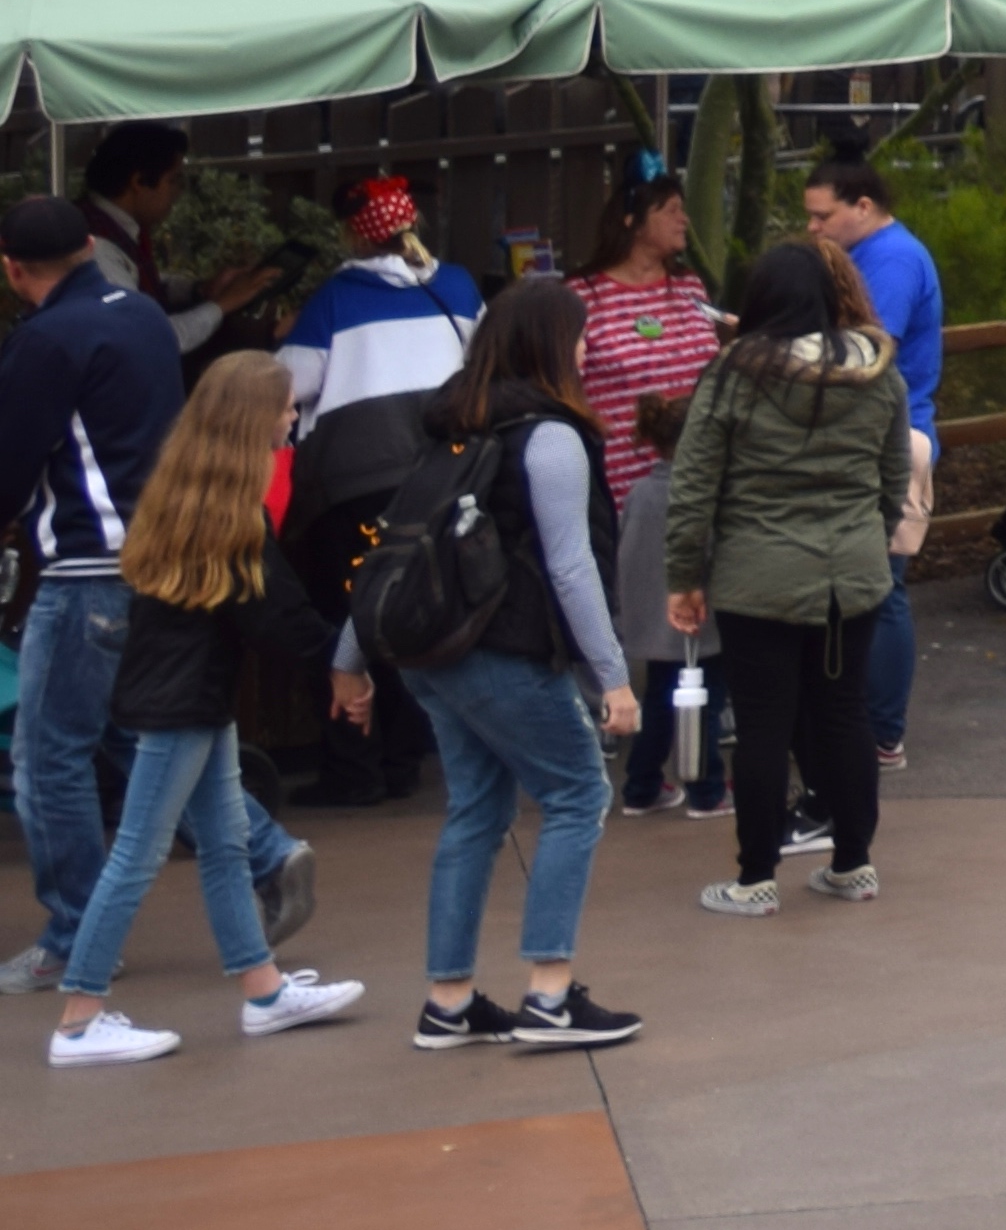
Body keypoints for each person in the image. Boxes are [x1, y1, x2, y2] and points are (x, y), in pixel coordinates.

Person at [350, 281, 650, 1052]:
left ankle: (447, 1002)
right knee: (578, 792)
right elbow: (572, 567)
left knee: (476, 812)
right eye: (580, 336)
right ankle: (549, 996)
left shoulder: (451, 428)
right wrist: (611, 675)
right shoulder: (548, 435)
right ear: (549, 344)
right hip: (505, 648)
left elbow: (394, 541)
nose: (589, 348)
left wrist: (349, 655)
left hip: (431, 655)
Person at [41, 364, 361, 1066]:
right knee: (137, 854)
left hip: (188, 696)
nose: (291, 420)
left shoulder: (186, 493)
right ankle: (77, 1020)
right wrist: (350, 662)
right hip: (185, 702)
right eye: (285, 409)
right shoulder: (233, 513)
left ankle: (265, 991)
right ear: (255, 420)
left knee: (223, 845)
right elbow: (280, 616)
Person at [665, 244, 914, 919]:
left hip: (758, 577)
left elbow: (694, 485)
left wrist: (684, 573)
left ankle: (756, 877)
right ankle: (854, 864)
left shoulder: (734, 373)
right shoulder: (880, 371)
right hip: (852, 578)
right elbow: (896, 479)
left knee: (764, 725)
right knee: (843, 713)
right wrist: (867, 535)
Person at [2, 197, 206, 998]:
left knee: (47, 757)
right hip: (156, 554)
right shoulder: (146, 315)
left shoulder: (44, 338)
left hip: (87, 564)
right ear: (90, 246)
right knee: (145, 734)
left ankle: (74, 937)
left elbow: (11, 458)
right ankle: (266, 854)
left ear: (12, 269)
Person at [572, 159, 730, 817]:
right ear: (633, 218)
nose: (683, 220)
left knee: (693, 622)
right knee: (637, 616)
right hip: (619, 487)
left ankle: (674, 759)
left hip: (697, 484)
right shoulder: (583, 296)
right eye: (671, 209)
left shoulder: (690, 289)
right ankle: (621, 723)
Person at [803, 157, 943, 773]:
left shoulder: (891, 260)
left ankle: (883, 731)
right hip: (878, 434)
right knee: (868, 590)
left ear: (863, 206)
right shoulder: (873, 255)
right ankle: (863, 720)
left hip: (889, 438)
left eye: (822, 215)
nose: (813, 228)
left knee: (882, 589)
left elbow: (865, 345)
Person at [279, 174, 483, 424]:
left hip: (361, 454)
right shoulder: (459, 285)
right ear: (414, 222)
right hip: (449, 451)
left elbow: (285, 387)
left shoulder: (334, 298)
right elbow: (485, 361)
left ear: (357, 238)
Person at [73, 122, 279, 365]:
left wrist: (200, 289)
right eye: (173, 180)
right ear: (139, 181)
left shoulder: (114, 228)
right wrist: (223, 304)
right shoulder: (97, 248)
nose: (178, 192)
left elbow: (138, 279)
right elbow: (156, 337)